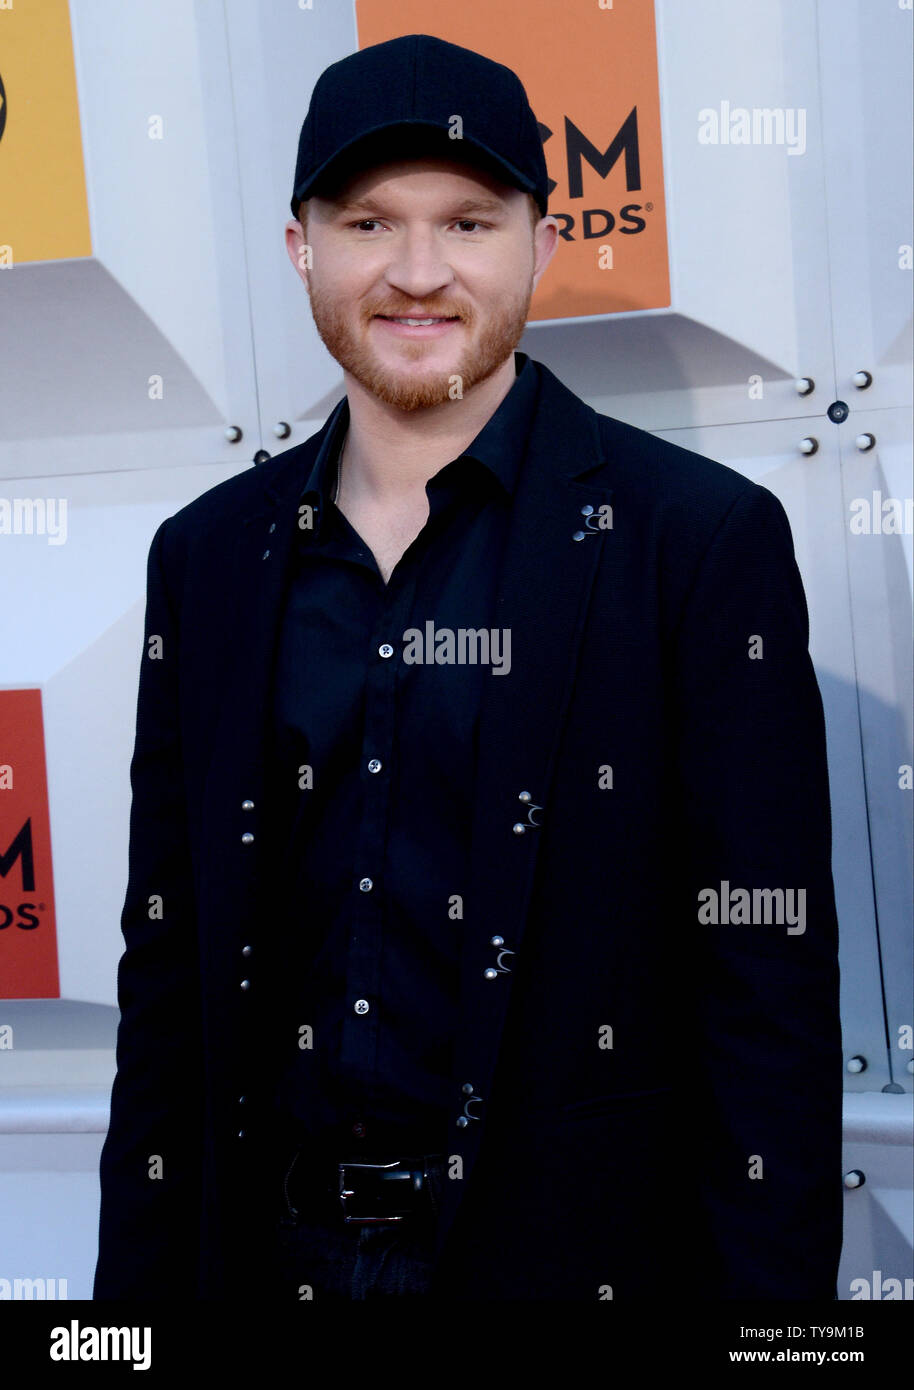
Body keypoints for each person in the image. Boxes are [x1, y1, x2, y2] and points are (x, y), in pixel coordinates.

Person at [93, 33, 843, 1301]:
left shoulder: (694, 545)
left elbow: (761, 993)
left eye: (469, 221)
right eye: (369, 221)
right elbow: (168, 989)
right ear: (302, 248)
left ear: (543, 243)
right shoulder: (208, 560)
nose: (418, 272)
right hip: (269, 1262)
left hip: (575, 1272)